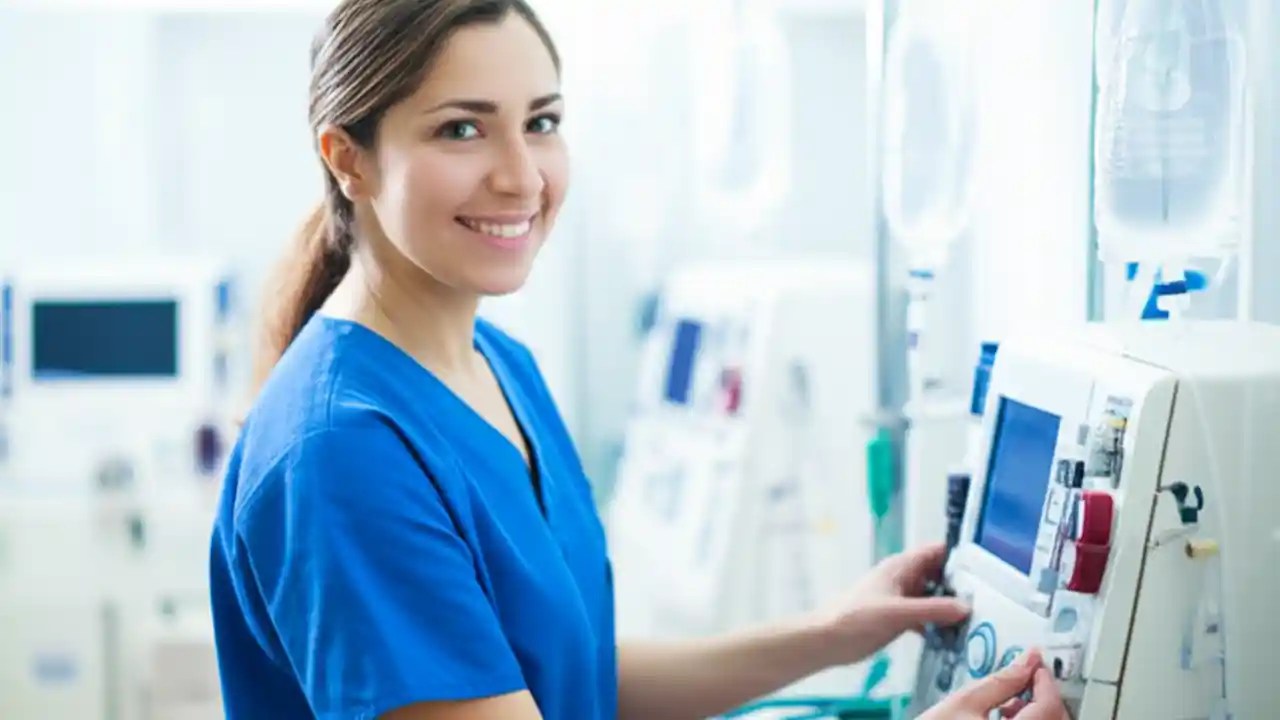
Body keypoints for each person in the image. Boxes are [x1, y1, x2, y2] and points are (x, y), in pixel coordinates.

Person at [207, 1, 1071, 718]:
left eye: (542, 123)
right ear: (348, 158)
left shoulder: (497, 365)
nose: (522, 176)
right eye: (462, 129)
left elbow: (570, 676)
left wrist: (830, 632)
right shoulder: (343, 452)